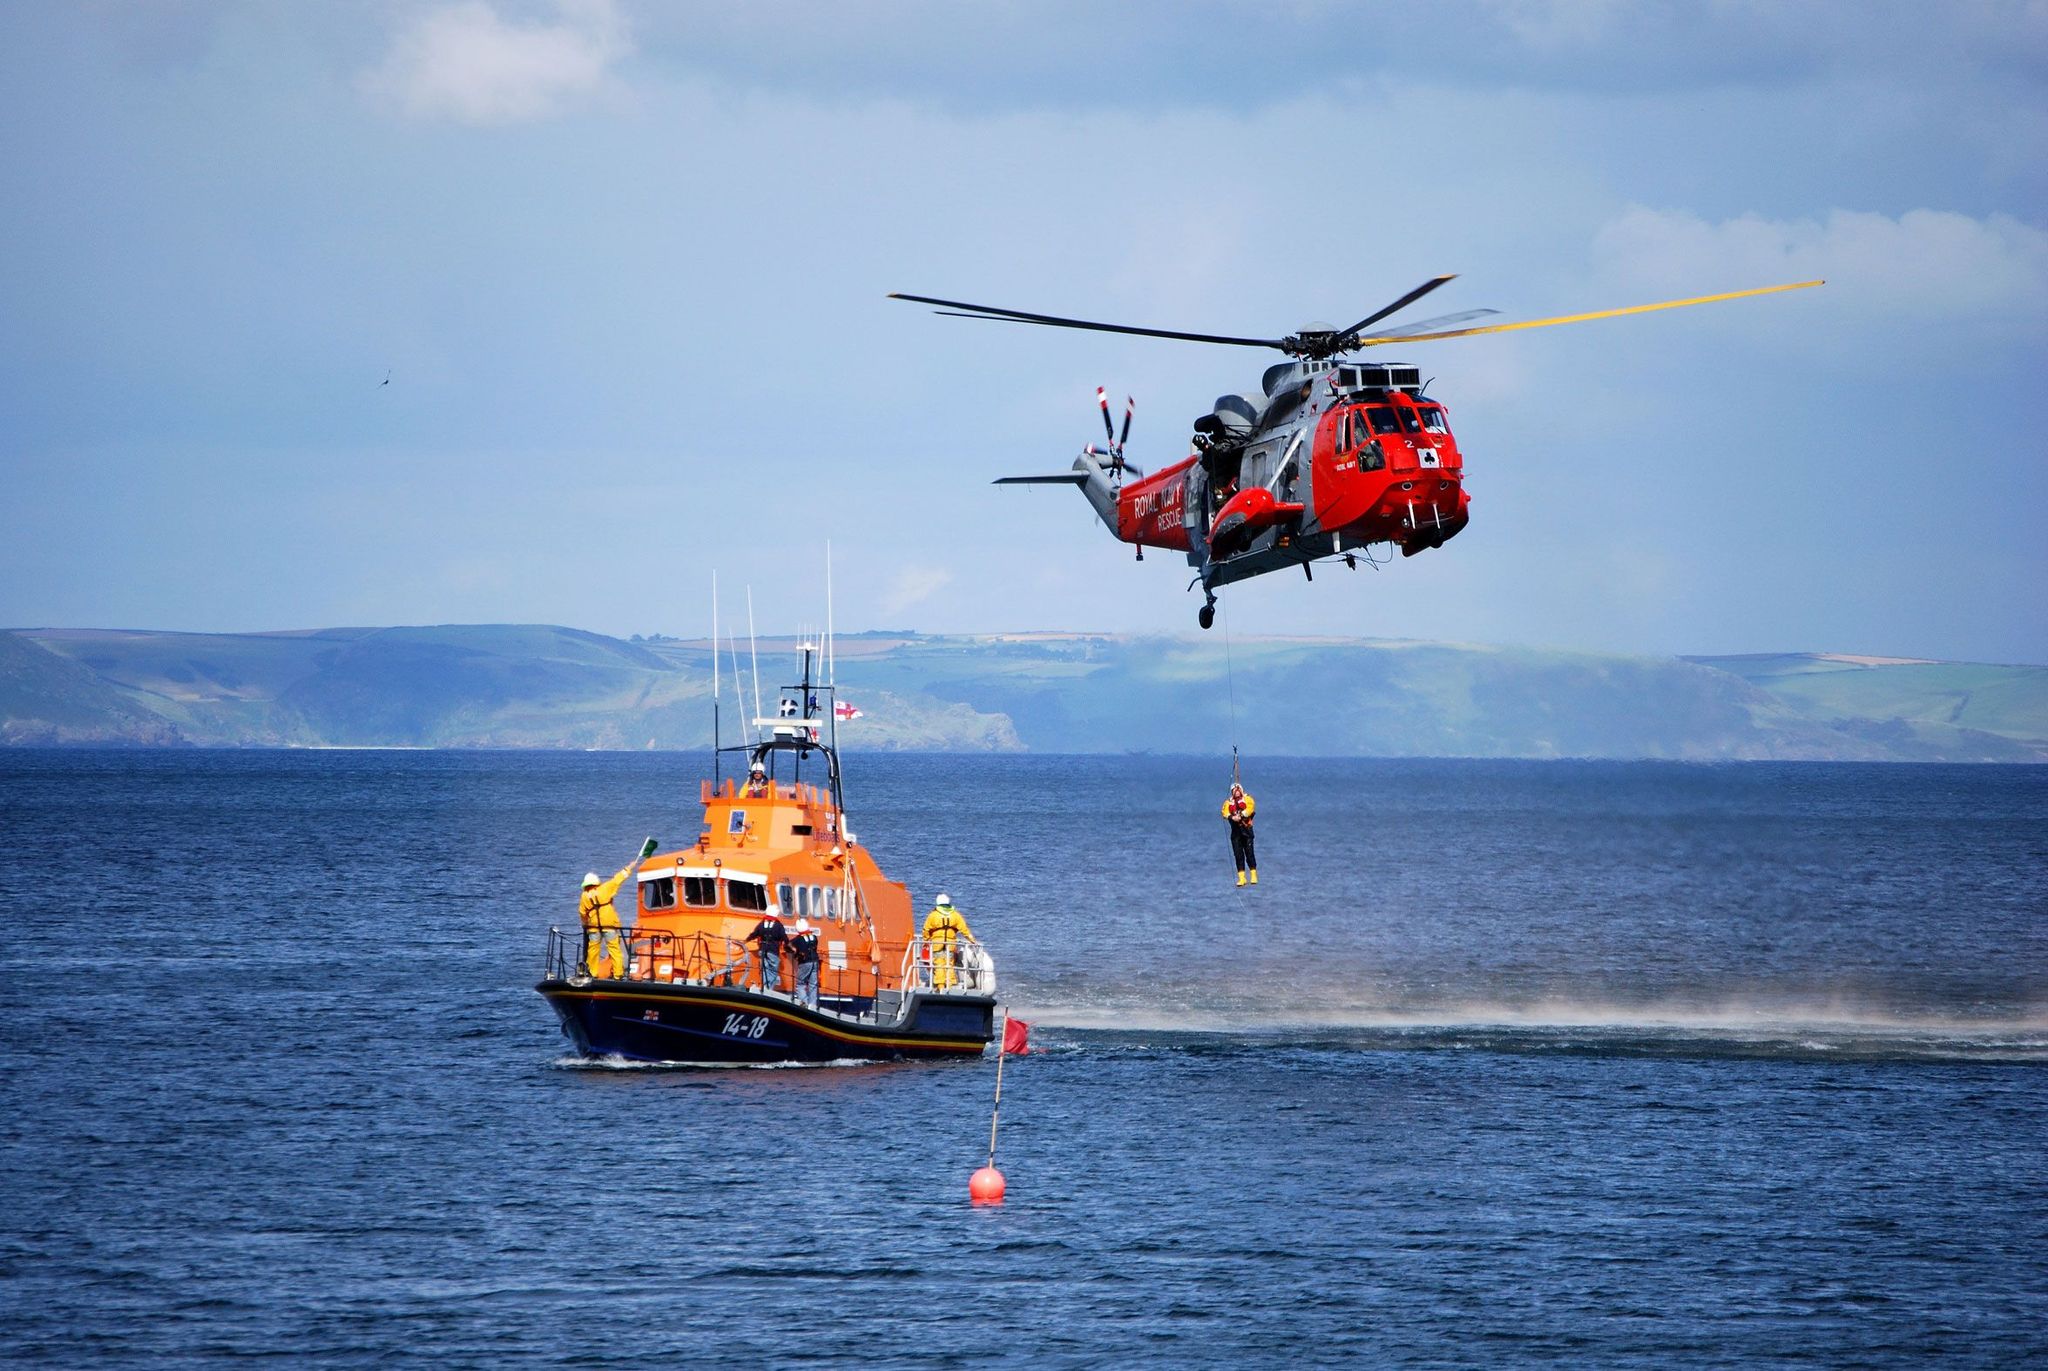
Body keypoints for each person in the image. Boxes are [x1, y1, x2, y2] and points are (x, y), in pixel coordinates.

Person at [579, 837, 655, 978]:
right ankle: (618, 974)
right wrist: (631, 866)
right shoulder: (606, 888)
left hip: (593, 927)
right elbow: (619, 878)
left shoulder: (584, 896)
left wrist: (585, 925)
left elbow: (582, 913)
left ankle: (592, 973)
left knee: (593, 951)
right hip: (609, 926)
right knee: (614, 949)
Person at [922, 893, 974, 990]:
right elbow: (964, 929)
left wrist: (926, 940)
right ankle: (950, 985)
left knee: (939, 963)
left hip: (937, 944)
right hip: (950, 944)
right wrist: (972, 940)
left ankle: (940, 985)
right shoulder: (955, 915)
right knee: (949, 963)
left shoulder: (933, 915)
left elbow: (926, 929)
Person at [1222, 782, 1258, 886]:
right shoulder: (1228, 802)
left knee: (1249, 853)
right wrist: (1232, 817)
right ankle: (1242, 878)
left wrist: (1242, 815)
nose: (1237, 793)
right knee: (1238, 855)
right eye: (1234, 791)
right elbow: (1224, 812)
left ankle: (1253, 875)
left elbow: (1251, 807)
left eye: (1238, 791)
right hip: (1236, 832)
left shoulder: (1247, 799)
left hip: (1246, 830)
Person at [745, 911, 788, 994]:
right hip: (773, 952)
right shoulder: (778, 926)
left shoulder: (761, 924)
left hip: (762, 950)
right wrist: (790, 947)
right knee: (773, 972)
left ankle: (765, 987)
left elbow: (754, 934)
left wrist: (745, 941)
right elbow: (784, 938)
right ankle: (769, 989)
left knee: (764, 970)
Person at [788, 916, 821, 1009]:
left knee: (800, 984)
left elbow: (788, 945)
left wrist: (795, 951)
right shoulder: (814, 937)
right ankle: (813, 1005)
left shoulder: (798, 939)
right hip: (815, 961)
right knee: (813, 984)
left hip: (805, 962)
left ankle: (804, 1003)